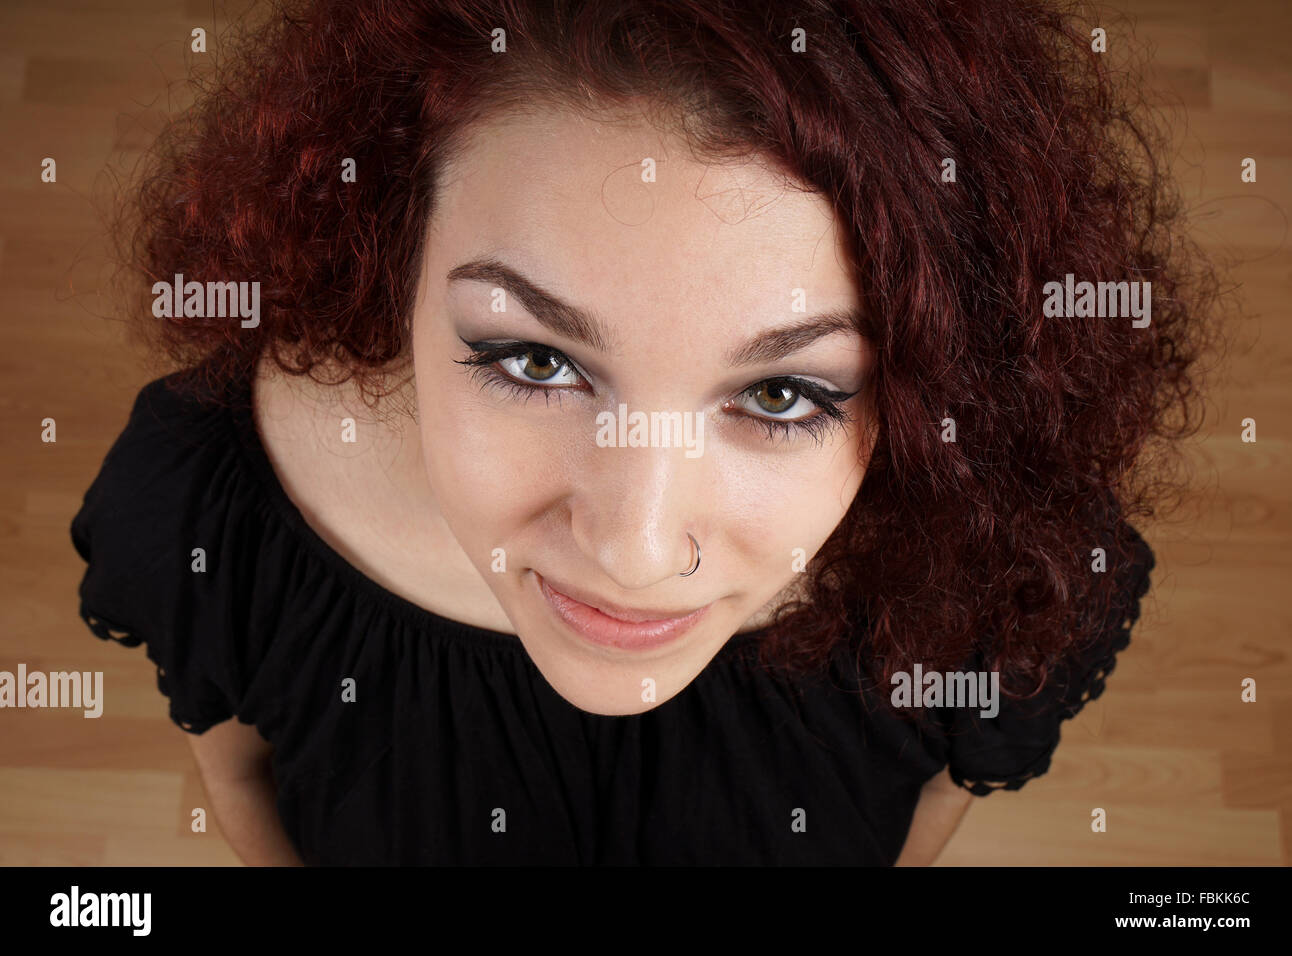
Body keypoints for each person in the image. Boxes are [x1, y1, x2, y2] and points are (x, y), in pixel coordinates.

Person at [70, 0, 1213, 865]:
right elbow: (239, 772)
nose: (632, 550)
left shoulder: (996, 572)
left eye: (781, 395)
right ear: (384, 258)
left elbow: (937, 800)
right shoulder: (204, 507)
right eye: (534, 359)